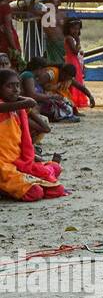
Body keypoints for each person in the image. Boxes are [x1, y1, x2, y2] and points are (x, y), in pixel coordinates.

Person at [0, 68, 65, 201]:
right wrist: (26, 101)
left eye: (17, 85)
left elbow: (45, 127)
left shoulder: (17, 109)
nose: (15, 90)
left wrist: (25, 107)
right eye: (9, 86)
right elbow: (29, 102)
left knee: (56, 179)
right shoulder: (4, 107)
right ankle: (5, 189)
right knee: (35, 192)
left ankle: (45, 168)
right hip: (3, 166)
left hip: (18, 162)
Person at [61, 18, 90, 108]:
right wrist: (78, 42)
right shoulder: (69, 38)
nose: (76, 31)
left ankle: (76, 99)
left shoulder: (70, 38)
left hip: (74, 60)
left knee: (78, 79)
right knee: (75, 80)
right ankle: (74, 99)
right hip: (72, 60)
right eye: (73, 29)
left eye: (78, 29)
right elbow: (74, 51)